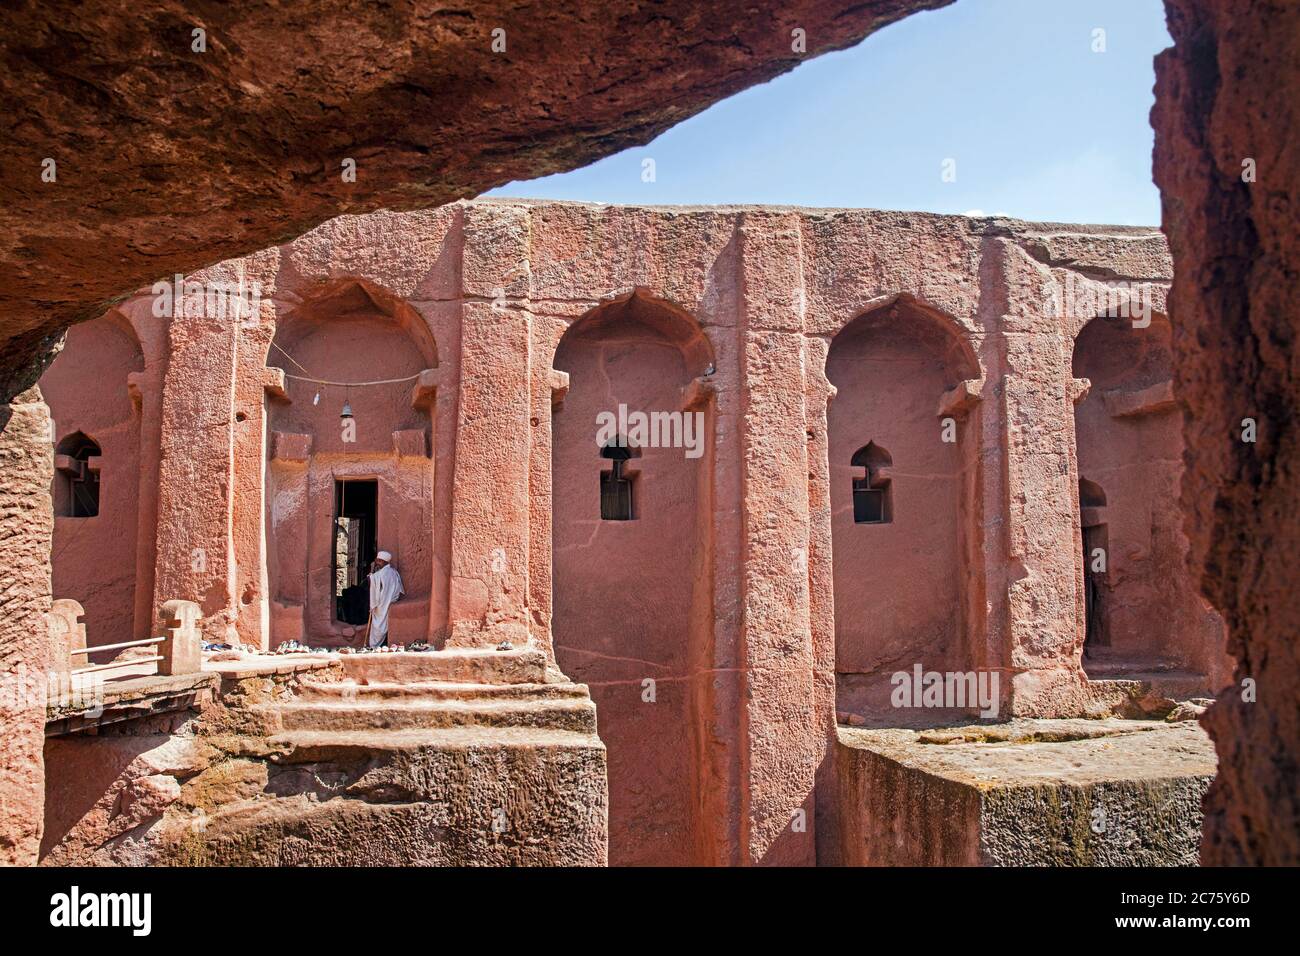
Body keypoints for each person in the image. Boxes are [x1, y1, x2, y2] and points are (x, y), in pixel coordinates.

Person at [366, 550, 405, 648]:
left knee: (378, 621)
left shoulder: (381, 574)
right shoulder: (393, 572)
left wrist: (371, 571)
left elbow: (371, 583)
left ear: (385, 562)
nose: (377, 563)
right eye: (377, 561)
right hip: (390, 600)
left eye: (380, 561)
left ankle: (374, 645)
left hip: (383, 602)